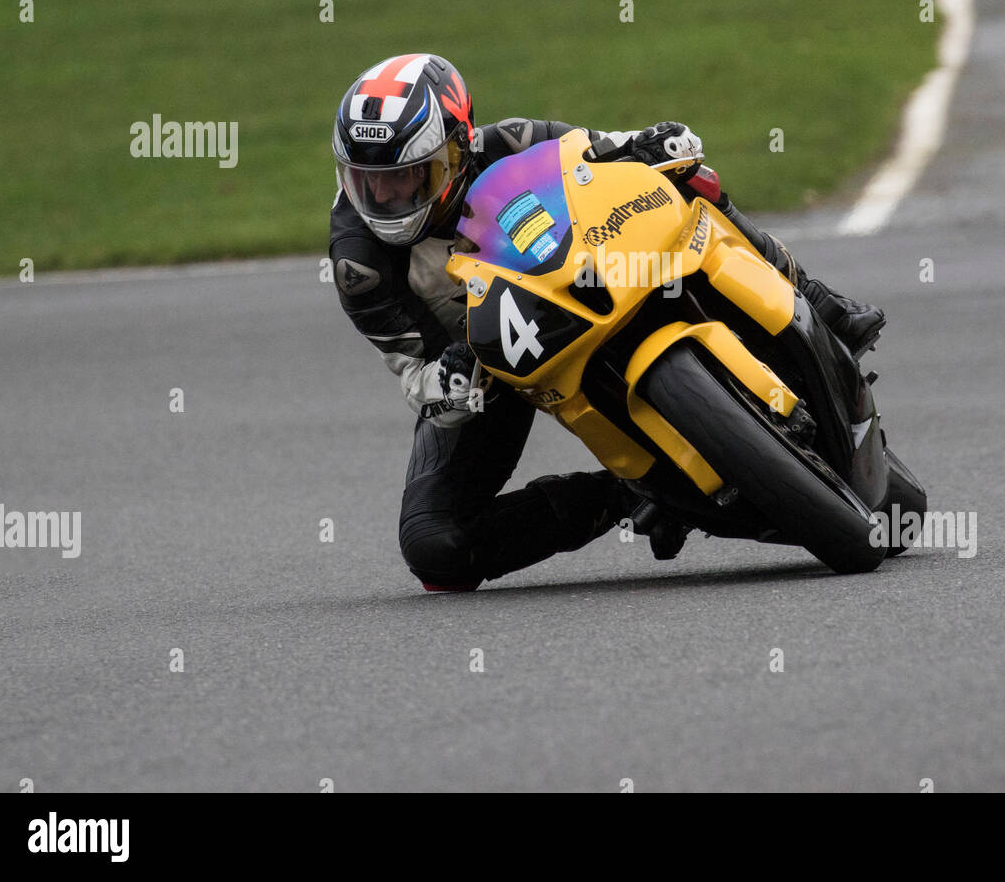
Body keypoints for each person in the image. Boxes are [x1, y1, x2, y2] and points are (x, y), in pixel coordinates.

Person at [329, 53, 885, 591]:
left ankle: (816, 299)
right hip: (486, 371)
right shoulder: (360, 266)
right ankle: (628, 493)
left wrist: (654, 143)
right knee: (434, 548)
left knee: (687, 175)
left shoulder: (511, 141)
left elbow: (603, 150)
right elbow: (413, 374)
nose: (383, 197)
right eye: (365, 180)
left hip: (583, 276)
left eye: (405, 178)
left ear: (455, 148)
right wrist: (446, 385)